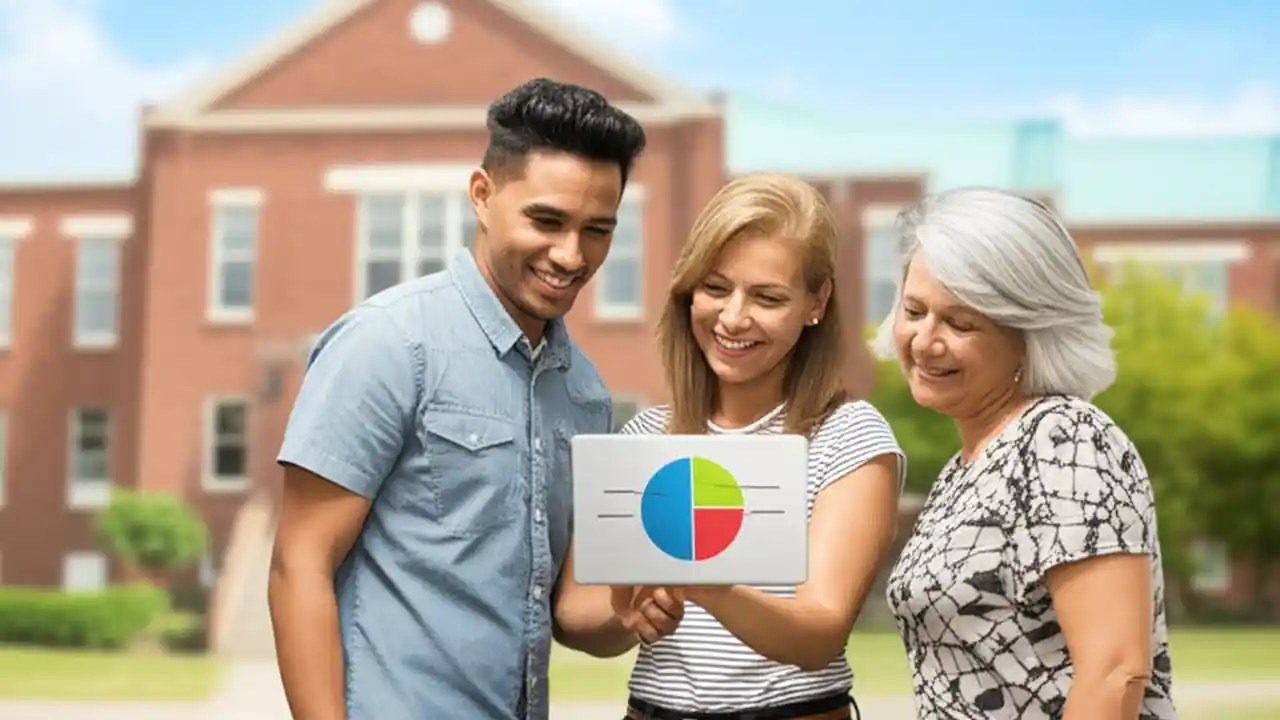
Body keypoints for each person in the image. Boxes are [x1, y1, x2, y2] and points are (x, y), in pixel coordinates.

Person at [267, 77, 683, 720]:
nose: (571, 254)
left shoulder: (586, 395)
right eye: (547, 221)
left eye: (597, 230)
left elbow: (569, 618)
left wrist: (627, 615)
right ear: (483, 196)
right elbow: (300, 564)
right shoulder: (387, 343)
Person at [576, 172, 906, 719]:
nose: (732, 318)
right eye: (715, 288)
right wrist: (626, 613)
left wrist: (703, 583)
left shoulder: (847, 437)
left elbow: (820, 633)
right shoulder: (644, 437)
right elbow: (577, 613)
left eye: (767, 297)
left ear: (817, 301)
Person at [875, 187, 1178, 719]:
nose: (924, 341)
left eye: (960, 323)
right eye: (914, 311)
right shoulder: (964, 469)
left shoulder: (1066, 439)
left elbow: (1115, 671)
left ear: (1028, 334)